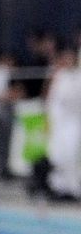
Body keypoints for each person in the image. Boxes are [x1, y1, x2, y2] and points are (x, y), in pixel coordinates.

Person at [47, 49, 81, 200]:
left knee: (71, 156)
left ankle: (73, 189)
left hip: (73, 123)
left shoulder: (78, 77)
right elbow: (52, 100)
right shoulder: (60, 76)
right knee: (56, 156)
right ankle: (58, 187)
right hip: (58, 124)